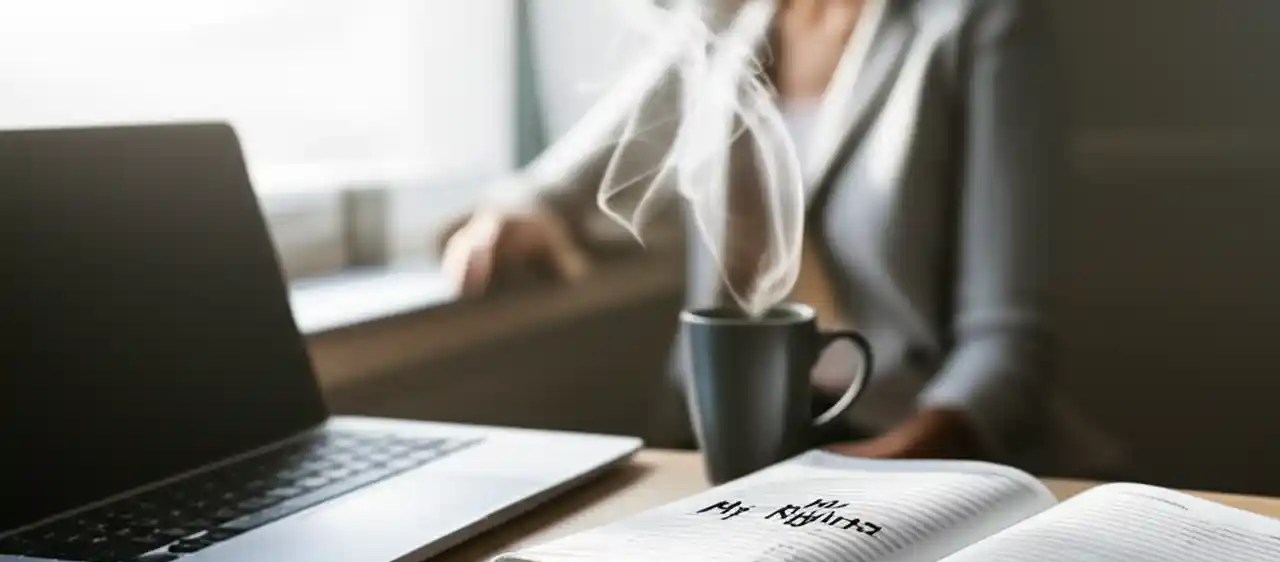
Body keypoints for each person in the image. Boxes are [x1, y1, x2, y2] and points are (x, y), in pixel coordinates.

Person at [440, 0, 1119, 475]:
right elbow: (568, 176)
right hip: (720, 438)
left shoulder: (973, 22)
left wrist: (874, 472)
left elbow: (1007, 345)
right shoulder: (723, 25)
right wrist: (508, 211)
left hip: (908, 442)